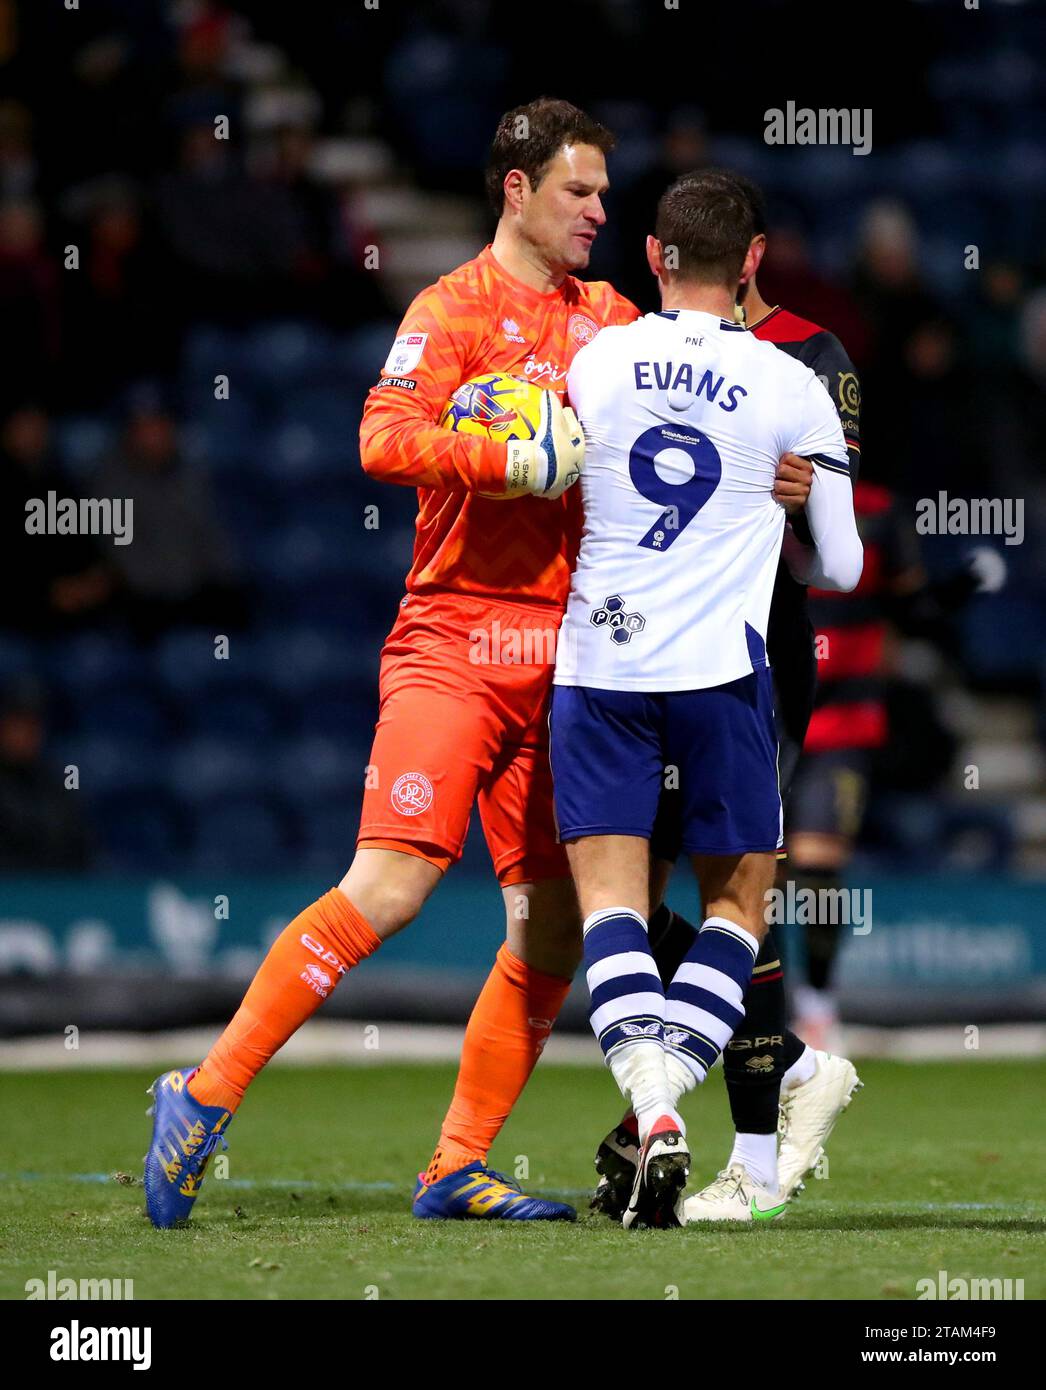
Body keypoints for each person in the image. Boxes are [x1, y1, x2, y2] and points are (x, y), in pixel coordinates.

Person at [549, 170, 863, 1227]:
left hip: (653, 664)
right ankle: (735, 1084)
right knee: (716, 909)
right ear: (751, 259)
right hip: (717, 671)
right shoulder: (782, 379)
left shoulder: (603, 359)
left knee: (640, 904)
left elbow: (550, 470)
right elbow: (844, 562)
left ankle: (705, 1128)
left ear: (651, 255)